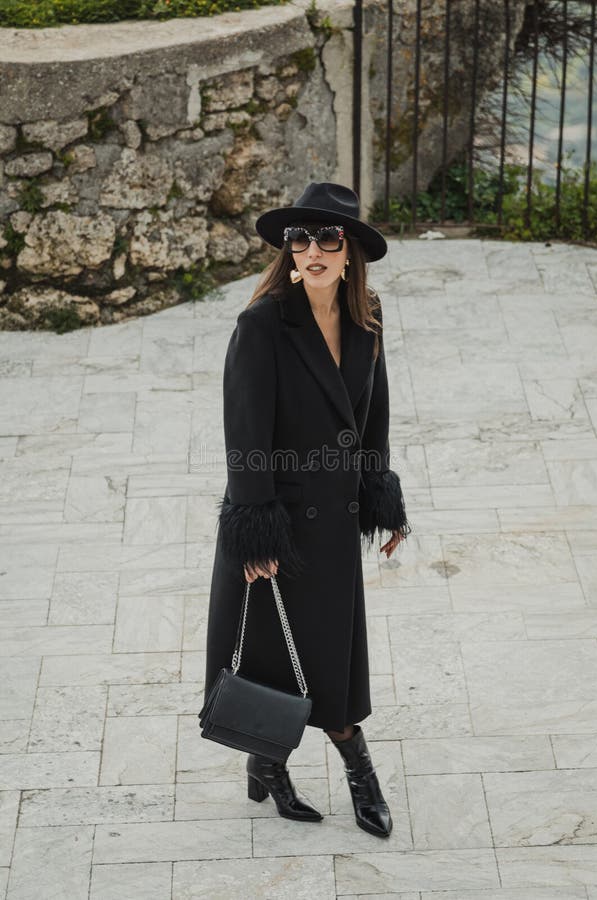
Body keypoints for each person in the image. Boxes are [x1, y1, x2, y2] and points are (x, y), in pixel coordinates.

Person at [203, 181, 411, 838]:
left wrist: (383, 499)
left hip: (335, 523)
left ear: (350, 252)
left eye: (328, 237)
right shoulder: (262, 326)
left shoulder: (367, 316)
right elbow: (244, 436)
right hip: (279, 527)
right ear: (288, 250)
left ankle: (282, 766)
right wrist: (256, 533)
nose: (313, 250)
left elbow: (373, 417)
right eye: (301, 238)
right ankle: (323, 769)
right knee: (279, 659)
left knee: (331, 658)